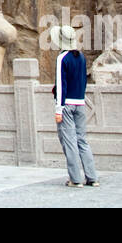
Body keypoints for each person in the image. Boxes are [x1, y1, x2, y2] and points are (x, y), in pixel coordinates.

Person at [51, 24, 98, 188]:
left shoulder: (62, 58)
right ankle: (92, 177)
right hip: (80, 103)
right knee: (82, 141)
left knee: (69, 141)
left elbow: (60, 84)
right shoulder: (82, 57)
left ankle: (75, 179)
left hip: (67, 105)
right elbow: (83, 82)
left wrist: (59, 108)